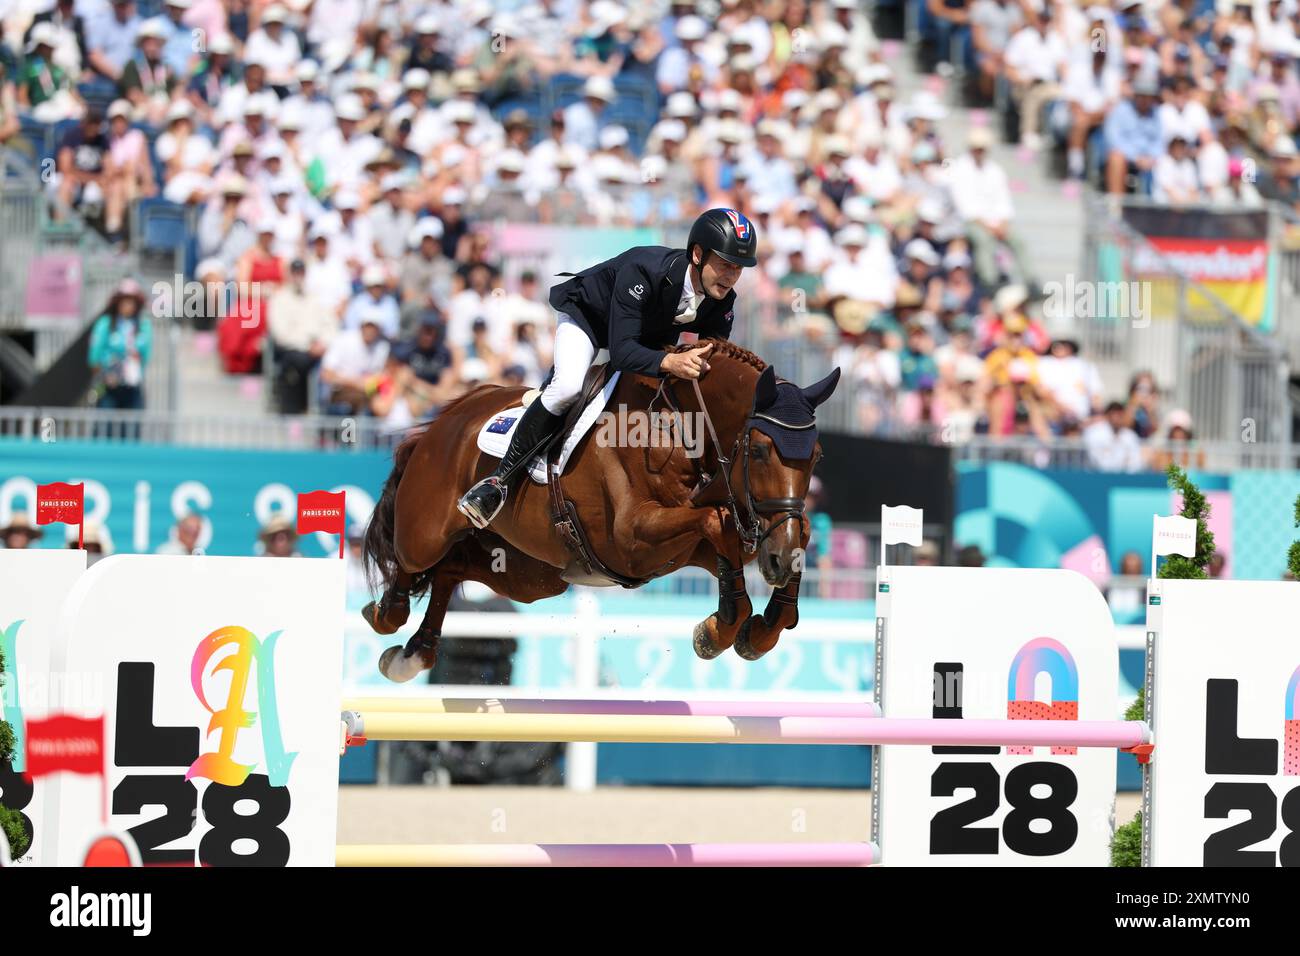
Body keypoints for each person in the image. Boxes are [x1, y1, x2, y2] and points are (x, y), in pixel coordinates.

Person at [457, 207, 758, 528]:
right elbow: (623, 353)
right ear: (698, 254)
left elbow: (712, 363)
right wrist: (670, 361)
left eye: (738, 268)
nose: (731, 276)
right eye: (725, 264)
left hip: (647, 334)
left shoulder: (722, 297)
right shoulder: (645, 271)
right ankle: (497, 482)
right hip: (589, 318)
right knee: (568, 388)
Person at [88, 279, 151, 410]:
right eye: (124, 301)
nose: (128, 305)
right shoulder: (106, 324)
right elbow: (94, 356)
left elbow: (145, 356)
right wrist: (104, 376)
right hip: (109, 385)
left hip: (132, 386)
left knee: (131, 427)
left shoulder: (143, 326)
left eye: (131, 301)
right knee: (106, 426)